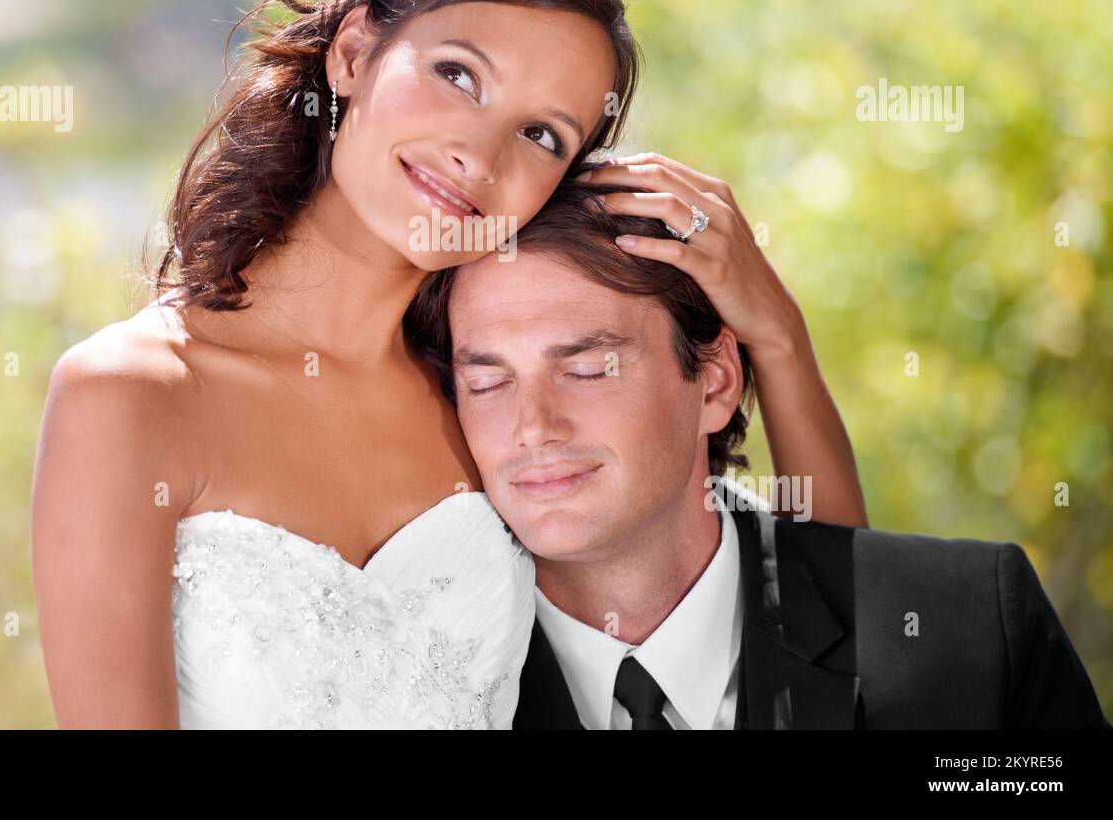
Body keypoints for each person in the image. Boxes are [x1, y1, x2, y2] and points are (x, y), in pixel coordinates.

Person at [31, 0, 865, 729]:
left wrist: (777, 336)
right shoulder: (132, 396)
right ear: (355, 51)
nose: (480, 153)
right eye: (459, 75)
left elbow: (827, 623)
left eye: (541, 133)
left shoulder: (490, 398)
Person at [404, 175, 1111, 729]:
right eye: (487, 380)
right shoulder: (414, 686)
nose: (533, 426)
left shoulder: (972, 629)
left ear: (714, 381)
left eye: (589, 369)